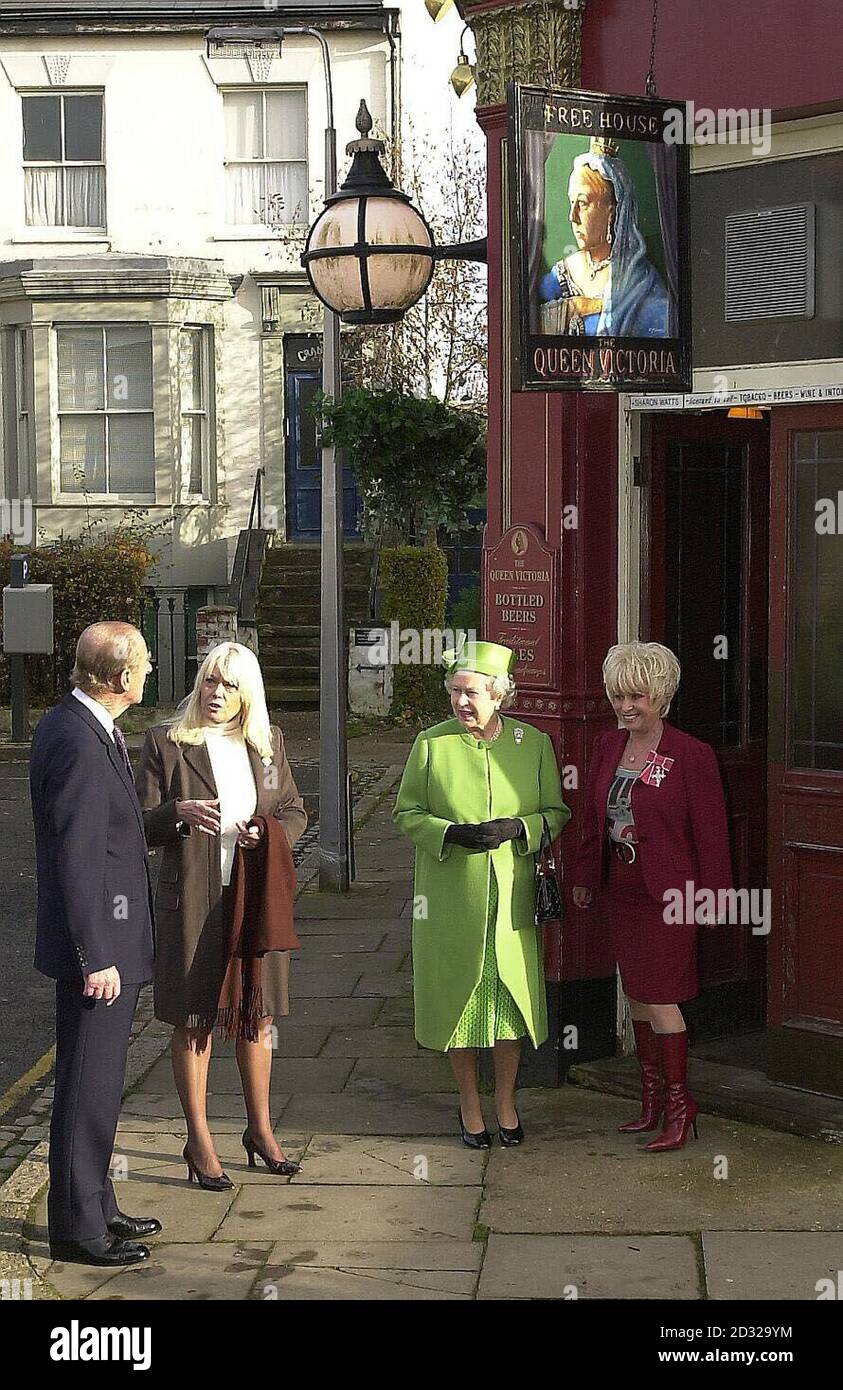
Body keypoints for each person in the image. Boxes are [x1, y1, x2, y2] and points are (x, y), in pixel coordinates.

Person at [136, 641, 306, 1187]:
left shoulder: (267, 745)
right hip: (192, 900)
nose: (216, 693)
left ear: (247, 694)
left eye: (229, 685)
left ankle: (260, 1130)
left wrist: (269, 831)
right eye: (210, 680)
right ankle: (199, 1140)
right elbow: (138, 822)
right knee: (195, 1018)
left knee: (257, 1016)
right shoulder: (167, 742)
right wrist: (177, 814)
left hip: (256, 897)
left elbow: (294, 811)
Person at [393, 641, 570, 1148]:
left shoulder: (532, 743)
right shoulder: (432, 744)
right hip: (451, 899)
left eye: (470, 693)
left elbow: (556, 813)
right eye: (454, 692)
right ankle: (470, 1106)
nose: (460, 702)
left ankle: (506, 1102)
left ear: (498, 694)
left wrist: (521, 826)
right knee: (461, 1006)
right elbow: (406, 813)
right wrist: (450, 834)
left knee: (508, 1008)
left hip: (512, 899)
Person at [31, 622, 160, 1267]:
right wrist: (95, 956)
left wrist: (168, 822)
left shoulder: (89, 726)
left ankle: (97, 1203)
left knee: (103, 1082)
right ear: (117, 678)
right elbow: (76, 858)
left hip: (112, 938)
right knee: (84, 1084)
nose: (150, 669)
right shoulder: (78, 742)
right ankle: (79, 1229)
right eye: (142, 663)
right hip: (99, 949)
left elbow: (116, 832)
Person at [572, 642, 733, 1151]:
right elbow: (592, 819)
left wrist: (714, 899)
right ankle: (651, 1102)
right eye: (619, 696)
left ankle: (682, 1108)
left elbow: (712, 833)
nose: (625, 706)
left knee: (663, 998)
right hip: (624, 889)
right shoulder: (606, 747)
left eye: (636, 696)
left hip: (671, 895)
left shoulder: (691, 754)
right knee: (637, 994)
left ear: (661, 697)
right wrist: (582, 876)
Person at [539, 137, 672, 337]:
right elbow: (528, 314)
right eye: (571, 201)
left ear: (611, 211)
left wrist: (596, 305)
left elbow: (661, 329)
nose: (572, 217)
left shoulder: (641, 282)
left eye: (583, 203)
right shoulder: (562, 274)